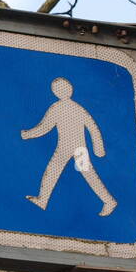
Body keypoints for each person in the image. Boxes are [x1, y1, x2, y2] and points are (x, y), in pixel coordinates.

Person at [20, 77, 116, 217]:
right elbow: (92, 128)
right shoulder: (68, 108)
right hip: (69, 147)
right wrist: (98, 149)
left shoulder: (64, 108)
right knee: (55, 170)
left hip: (74, 147)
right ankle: (43, 200)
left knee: (84, 174)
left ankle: (109, 201)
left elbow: (45, 127)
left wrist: (27, 134)